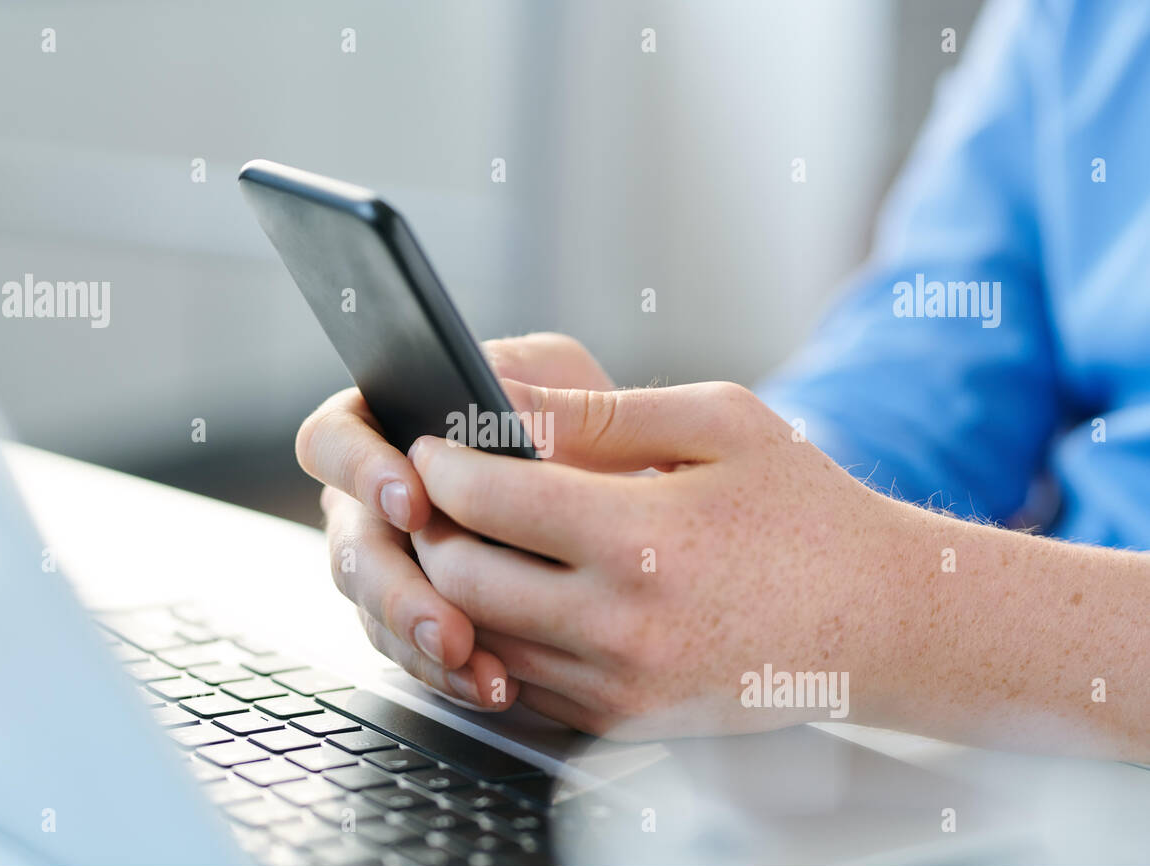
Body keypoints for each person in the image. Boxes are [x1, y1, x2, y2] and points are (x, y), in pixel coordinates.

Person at [295, 0, 1150, 760]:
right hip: (1021, 771)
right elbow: (919, 375)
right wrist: (666, 500)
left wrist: (892, 611)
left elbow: (894, 606)